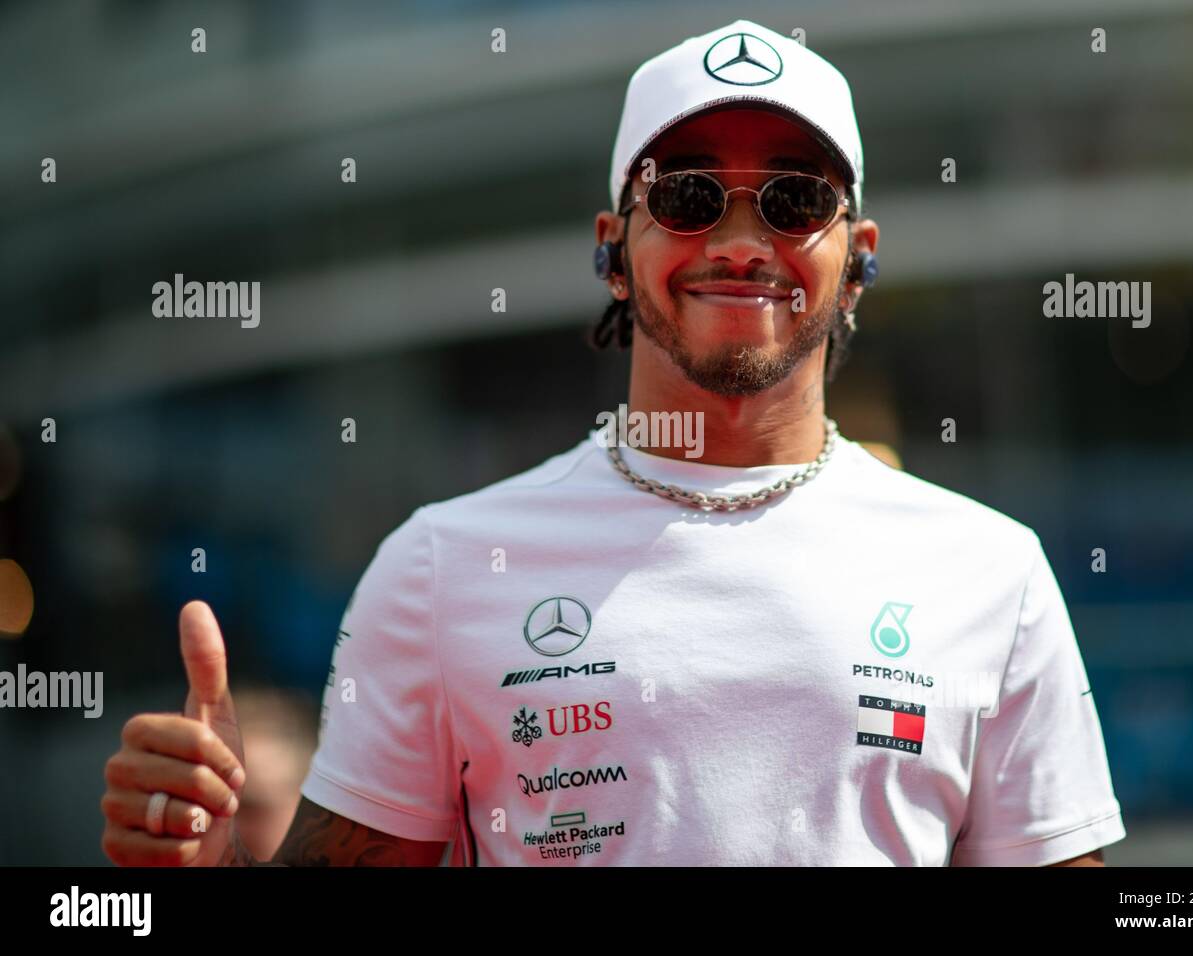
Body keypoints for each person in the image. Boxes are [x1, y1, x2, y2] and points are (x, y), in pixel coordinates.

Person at [101, 18, 1125, 867]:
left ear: (856, 256)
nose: (739, 242)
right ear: (612, 250)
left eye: (794, 199)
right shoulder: (441, 565)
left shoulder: (991, 572)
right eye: (684, 195)